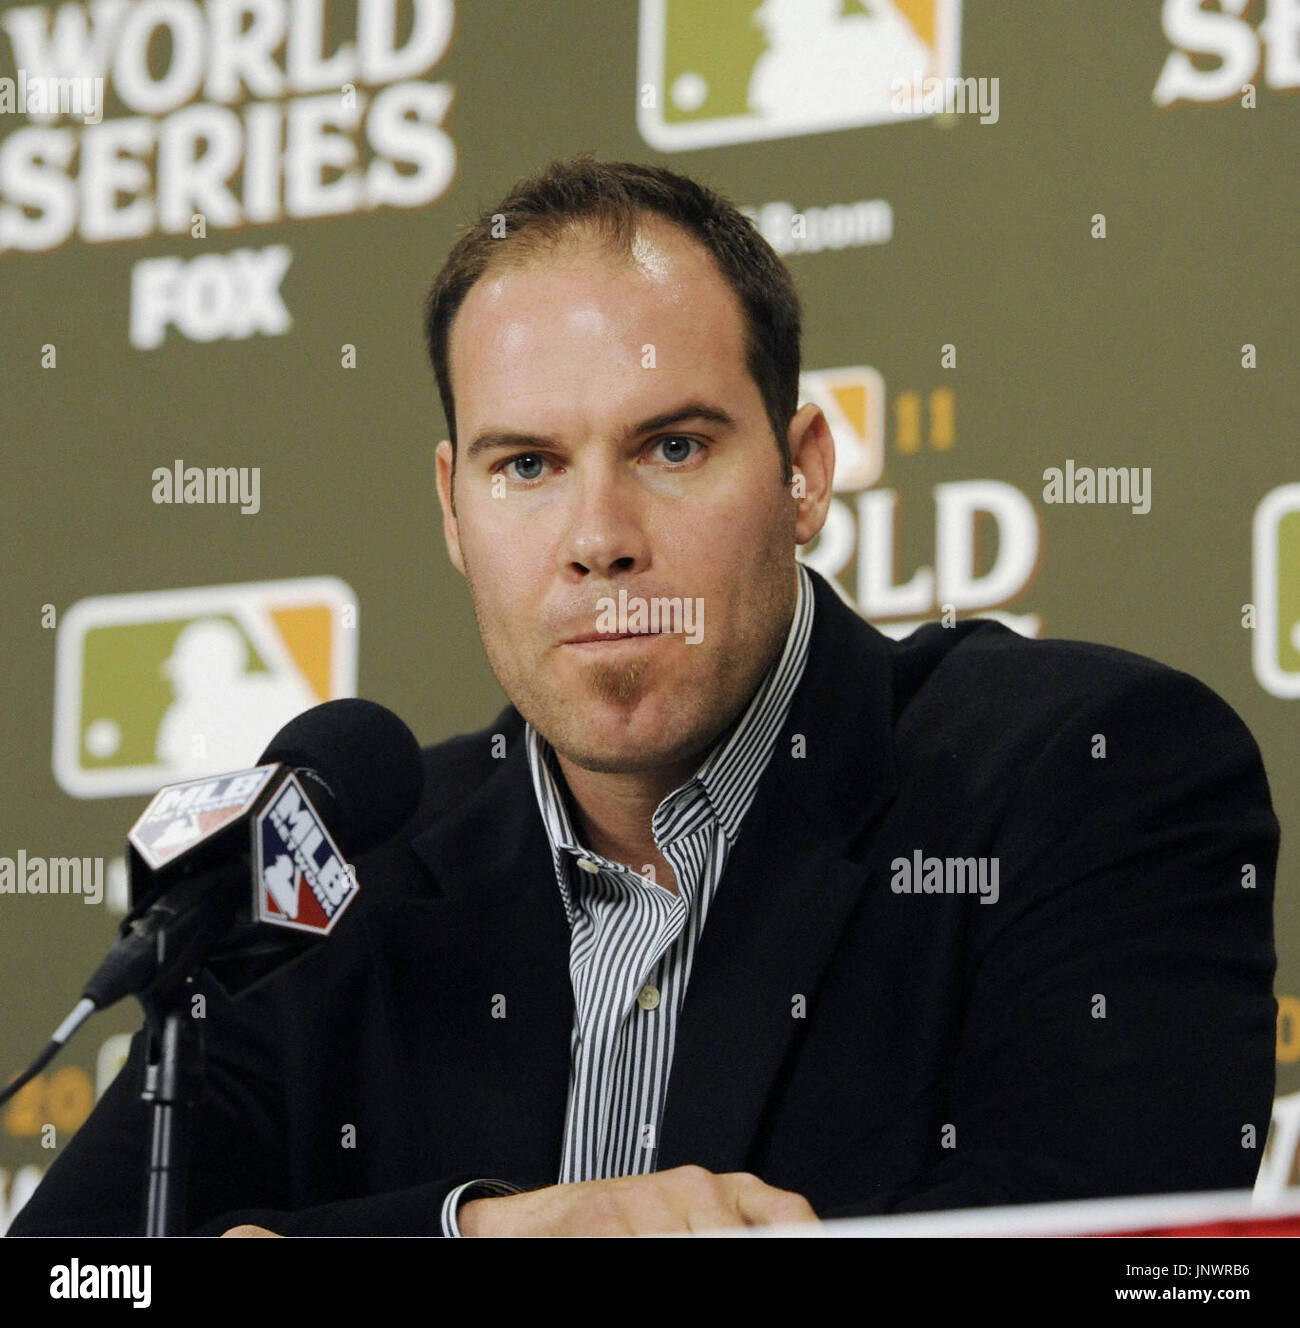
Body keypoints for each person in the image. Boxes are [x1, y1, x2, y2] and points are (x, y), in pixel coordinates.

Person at [10, 156, 1278, 1238]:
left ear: (801, 472)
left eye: (672, 447)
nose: (598, 537)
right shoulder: (332, 877)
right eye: (528, 466)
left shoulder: (1085, 771)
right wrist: (483, 1230)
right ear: (454, 509)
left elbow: (1131, 1259)